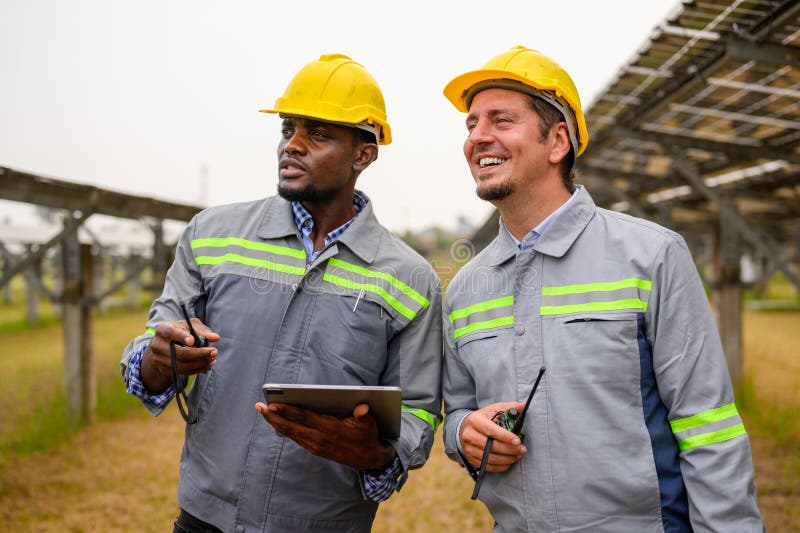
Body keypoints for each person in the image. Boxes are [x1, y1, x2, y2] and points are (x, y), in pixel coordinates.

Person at [440, 46, 764, 532]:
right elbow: (457, 408)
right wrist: (463, 431)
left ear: (557, 142)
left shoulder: (652, 256)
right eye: (471, 125)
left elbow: (707, 426)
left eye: (500, 120)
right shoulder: (466, 288)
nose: (477, 137)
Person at [120, 53, 442, 533]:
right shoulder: (212, 236)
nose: (292, 145)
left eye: (317, 133)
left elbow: (417, 410)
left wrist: (374, 455)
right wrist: (159, 358)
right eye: (287, 128)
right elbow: (147, 358)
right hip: (205, 517)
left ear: (363, 154)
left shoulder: (409, 278)